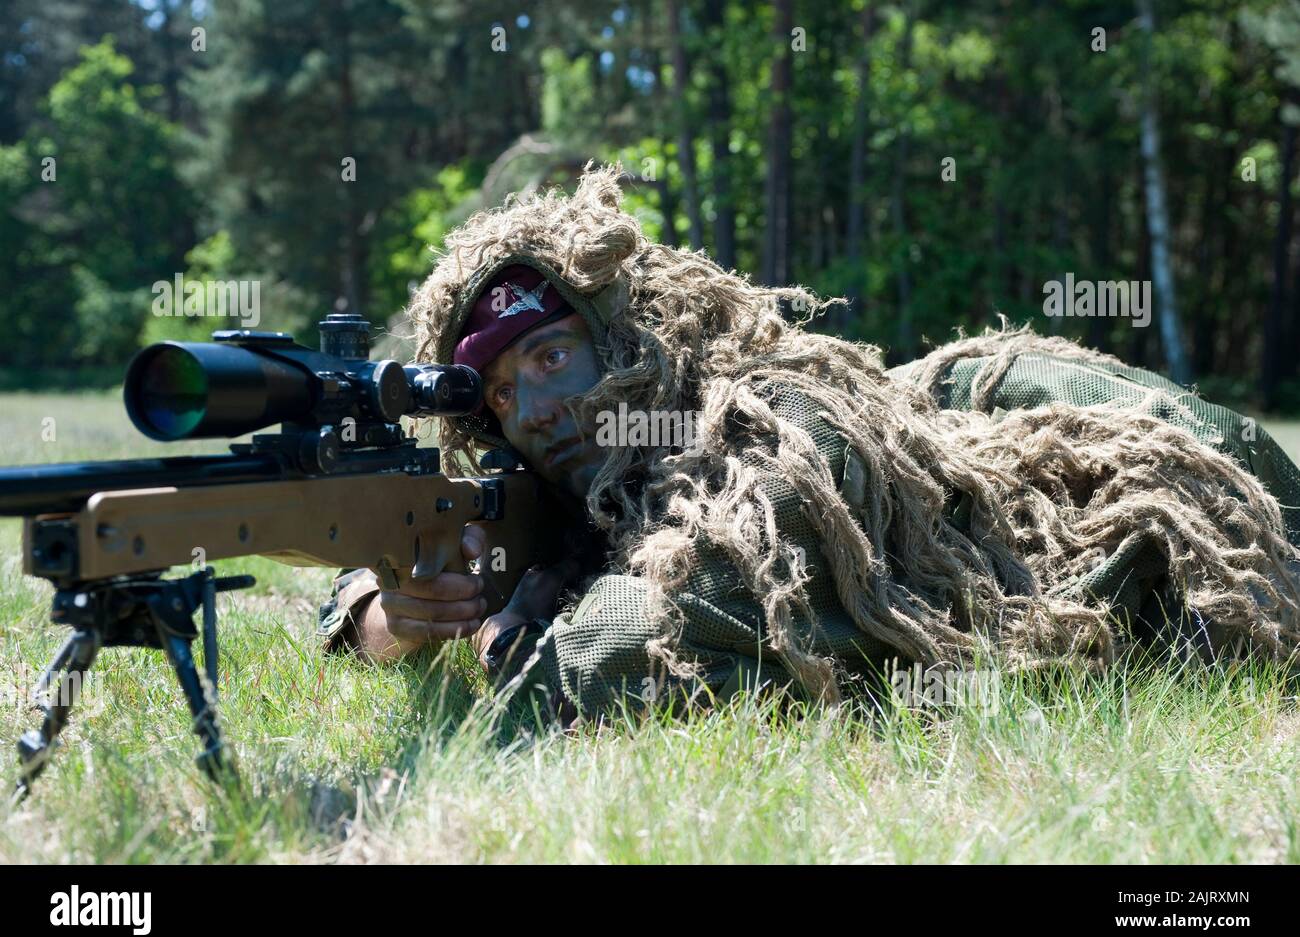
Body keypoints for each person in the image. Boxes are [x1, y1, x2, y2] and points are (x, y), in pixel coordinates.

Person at [318, 164, 1300, 722]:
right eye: (493, 392)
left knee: (1193, 460)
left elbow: (681, 613)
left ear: (624, 336)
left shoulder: (763, 425)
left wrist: (515, 666)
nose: (526, 408)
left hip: (996, 444)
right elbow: (367, 576)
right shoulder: (564, 493)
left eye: (548, 356)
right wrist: (400, 617)